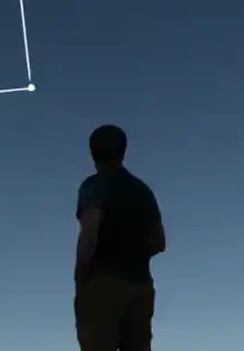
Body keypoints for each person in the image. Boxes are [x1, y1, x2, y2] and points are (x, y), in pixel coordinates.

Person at [74, 124, 165, 351]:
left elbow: (90, 231)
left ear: (93, 152)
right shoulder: (143, 191)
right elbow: (159, 242)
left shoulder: (94, 186)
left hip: (102, 284)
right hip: (140, 286)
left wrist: (81, 274)